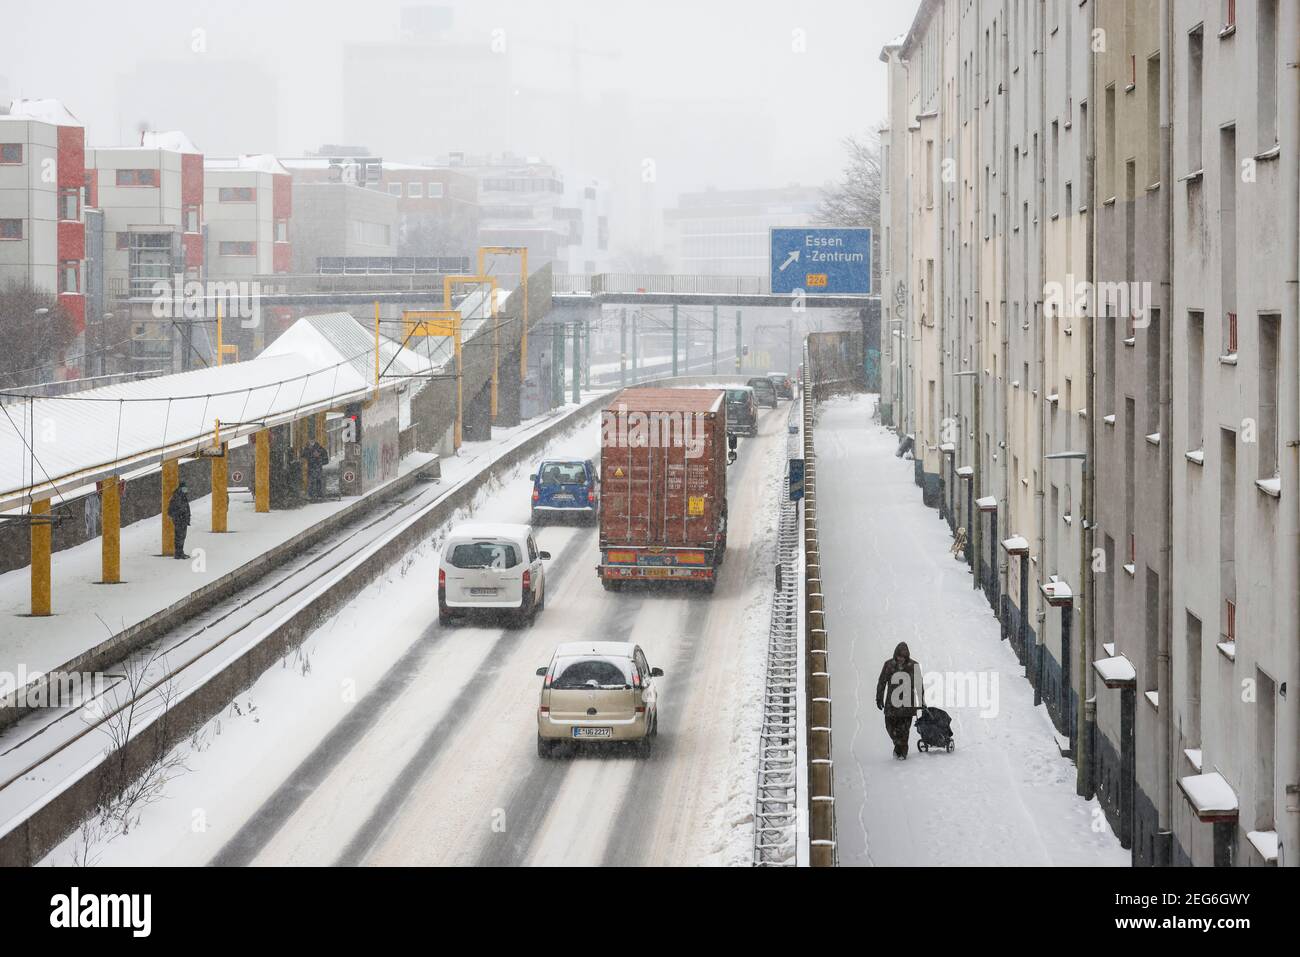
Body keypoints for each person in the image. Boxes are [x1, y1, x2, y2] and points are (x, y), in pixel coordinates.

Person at [875, 641, 925, 759]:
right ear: (895, 655)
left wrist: (922, 701)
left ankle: (902, 752)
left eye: (903, 657)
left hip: (908, 706)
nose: (901, 659)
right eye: (899, 656)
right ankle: (898, 746)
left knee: (904, 731)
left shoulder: (914, 666)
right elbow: (882, 682)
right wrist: (879, 698)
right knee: (889, 727)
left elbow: (919, 685)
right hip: (891, 705)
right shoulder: (888, 665)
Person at [167, 480, 192, 560]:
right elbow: (179, 509)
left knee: (181, 537)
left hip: (181, 520)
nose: (186, 490)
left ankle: (180, 552)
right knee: (179, 537)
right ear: (181, 488)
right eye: (184, 488)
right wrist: (181, 516)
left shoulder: (181, 496)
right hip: (180, 520)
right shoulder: (178, 496)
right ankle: (178, 553)